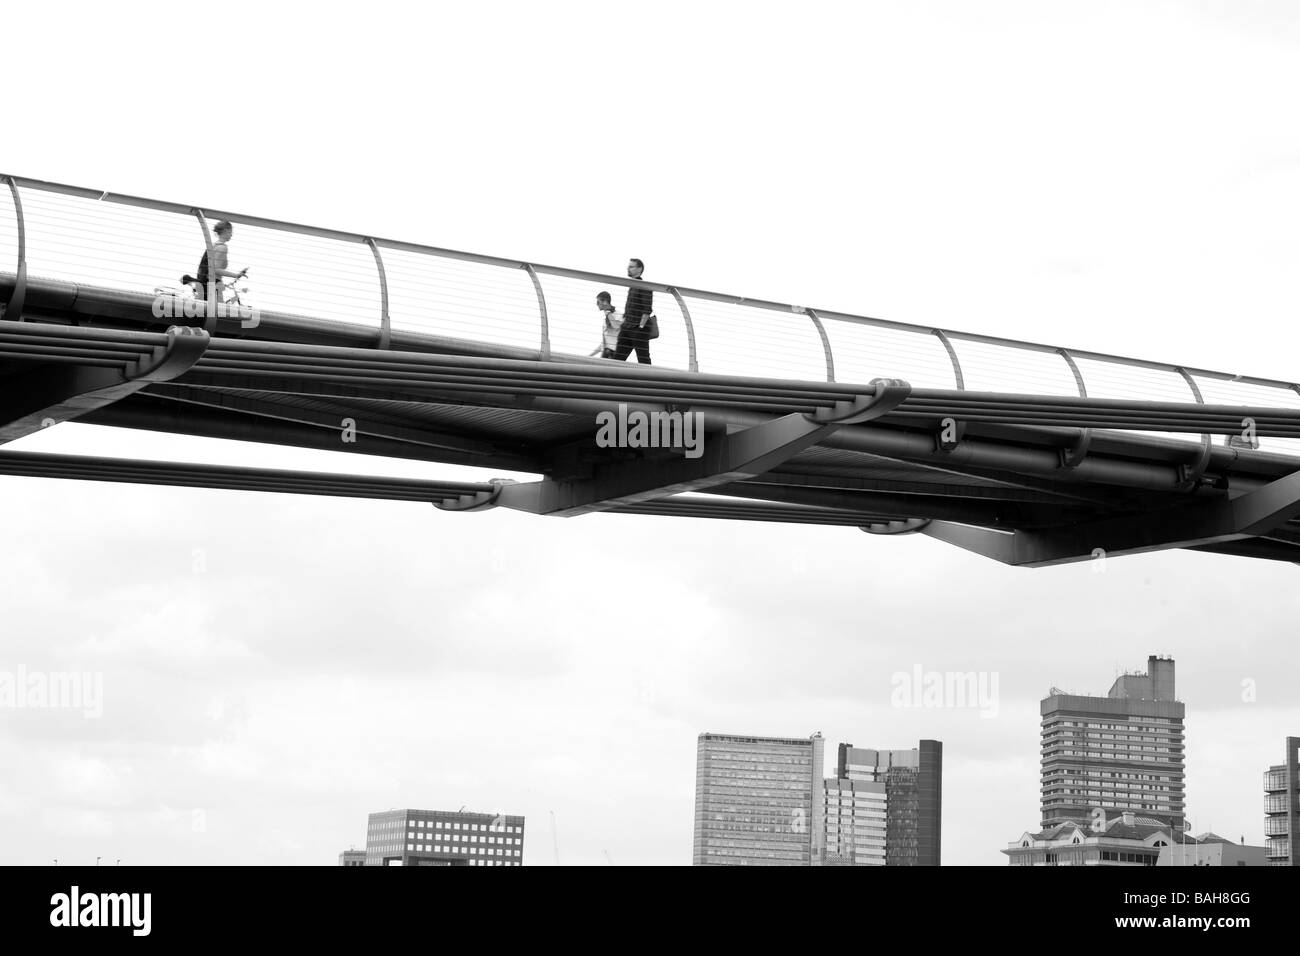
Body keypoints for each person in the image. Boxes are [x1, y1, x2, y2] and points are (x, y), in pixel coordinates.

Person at [188, 220, 246, 302]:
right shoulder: (222, 248)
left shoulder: (213, 246)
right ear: (226, 231)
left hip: (204, 283)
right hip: (213, 284)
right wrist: (235, 275)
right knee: (219, 309)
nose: (231, 235)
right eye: (230, 232)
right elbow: (216, 269)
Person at [611, 258, 653, 364]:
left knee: (643, 360)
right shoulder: (632, 285)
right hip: (627, 327)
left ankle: (650, 376)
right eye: (628, 266)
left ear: (639, 269)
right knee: (617, 359)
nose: (628, 268)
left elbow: (647, 310)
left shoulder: (644, 286)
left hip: (638, 329)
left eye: (631, 267)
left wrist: (640, 328)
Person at [589, 291, 624, 358]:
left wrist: (608, 313)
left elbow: (616, 327)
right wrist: (590, 356)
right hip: (606, 353)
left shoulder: (618, 314)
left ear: (605, 302)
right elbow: (605, 343)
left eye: (598, 302)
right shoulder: (606, 319)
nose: (597, 304)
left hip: (614, 354)